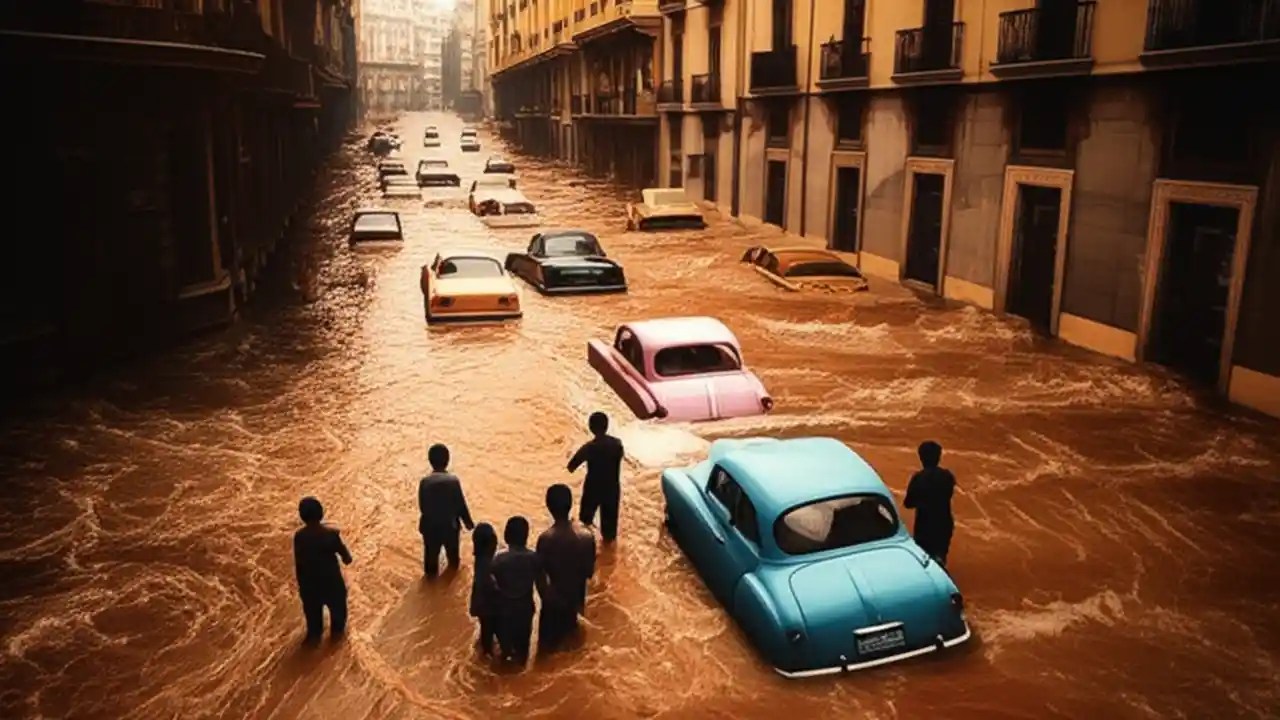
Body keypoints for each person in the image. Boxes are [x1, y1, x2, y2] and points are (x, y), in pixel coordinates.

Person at [535, 484, 597, 651]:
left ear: (548, 506)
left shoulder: (545, 539)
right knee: (574, 653)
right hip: (576, 604)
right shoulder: (587, 536)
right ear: (571, 504)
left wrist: (548, 601)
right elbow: (589, 572)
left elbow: (539, 578)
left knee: (546, 657)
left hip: (553, 606)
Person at [292, 496, 353, 643]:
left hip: (310, 588)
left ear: (302, 516)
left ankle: (308, 662)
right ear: (321, 513)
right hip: (332, 585)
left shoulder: (299, 537)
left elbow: (299, 565)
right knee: (338, 631)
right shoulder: (331, 535)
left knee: (314, 632)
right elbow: (347, 559)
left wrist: (302, 588)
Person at [489, 516, 546, 664]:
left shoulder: (498, 561)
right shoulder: (534, 559)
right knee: (522, 653)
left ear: (506, 536)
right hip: (525, 610)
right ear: (526, 536)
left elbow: (490, 589)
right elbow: (542, 589)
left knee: (505, 652)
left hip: (504, 611)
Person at [418, 443, 475, 578]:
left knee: (430, 567)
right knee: (453, 562)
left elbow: (422, 506)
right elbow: (461, 505)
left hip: (430, 528)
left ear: (430, 461)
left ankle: (429, 593)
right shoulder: (453, 481)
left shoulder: (424, 482)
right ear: (448, 460)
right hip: (450, 527)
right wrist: (469, 523)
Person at [567, 412, 625, 542]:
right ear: (607, 426)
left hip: (592, 490)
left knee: (584, 526)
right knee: (609, 534)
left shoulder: (589, 447)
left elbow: (571, 466)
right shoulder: (617, 444)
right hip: (612, 490)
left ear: (590, 427)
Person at [904, 441, 957, 567]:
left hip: (924, 525)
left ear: (921, 458)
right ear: (939, 457)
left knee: (925, 561)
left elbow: (908, 503)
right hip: (944, 522)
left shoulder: (918, 478)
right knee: (940, 557)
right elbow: (948, 494)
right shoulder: (948, 476)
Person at [470, 523, 499, 656]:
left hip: (481, 604)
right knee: (491, 634)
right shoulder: (489, 563)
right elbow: (489, 584)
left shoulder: (480, 559)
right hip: (489, 606)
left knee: (485, 632)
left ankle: (485, 652)